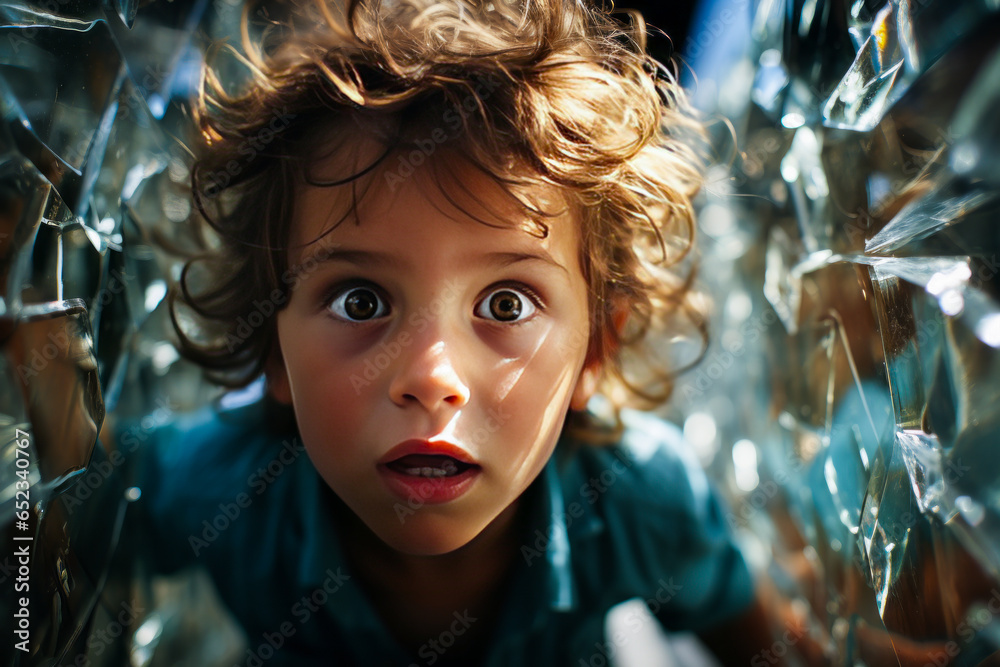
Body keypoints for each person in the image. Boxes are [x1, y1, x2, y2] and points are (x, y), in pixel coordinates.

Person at [134, 0, 793, 664]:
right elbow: (80, 529)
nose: (430, 378)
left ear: (595, 348)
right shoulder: (221, 491)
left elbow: (769, 648)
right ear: (274, 350)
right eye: (360, 303)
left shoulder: (640, 501)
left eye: (505, 306)